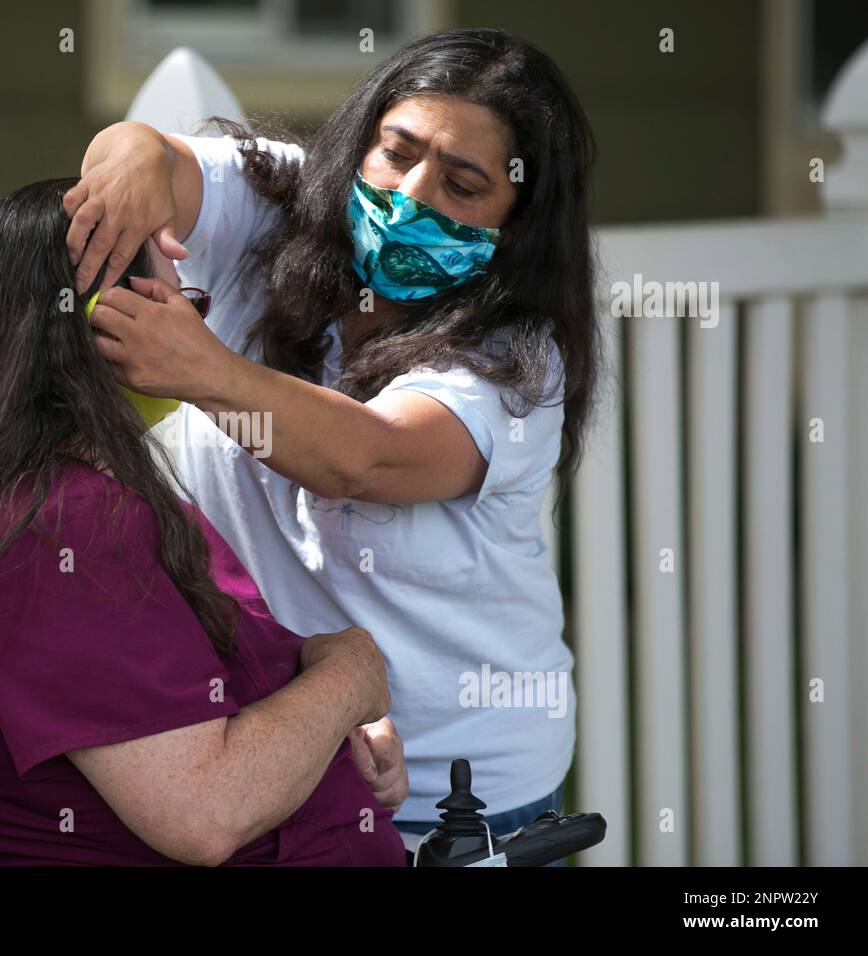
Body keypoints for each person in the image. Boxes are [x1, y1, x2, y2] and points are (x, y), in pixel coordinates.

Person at [65, 28, 599, 854]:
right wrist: (132, 155)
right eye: (397, 151)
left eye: (462, 184)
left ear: (519, 227)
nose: (413, 194)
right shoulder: (282, 203)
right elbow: (155, 159)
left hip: (459, 801)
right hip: (283, 767)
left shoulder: (520, 356)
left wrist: (199, 366)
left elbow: (367, 457)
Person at [0, 179, 409, 866]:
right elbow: (203, 814)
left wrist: (317, 714)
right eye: (187, 306)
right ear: (113, 324)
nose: (198, 332)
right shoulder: (62, 528)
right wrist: (351, 672)